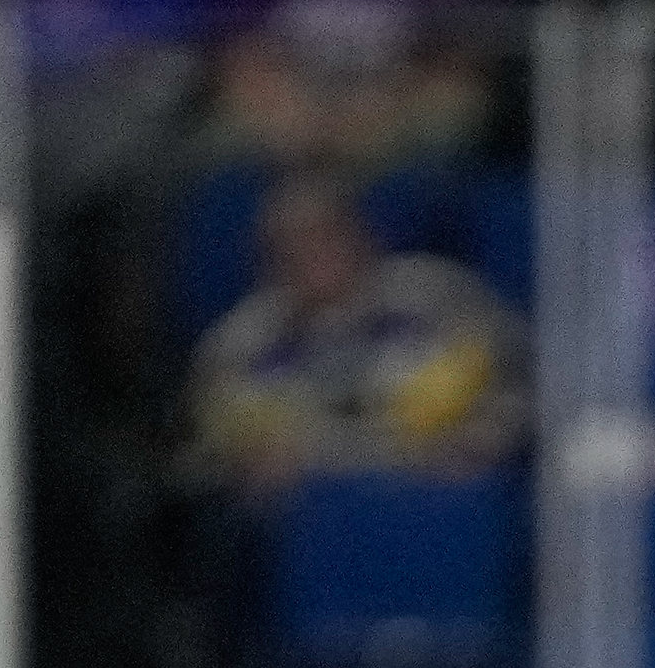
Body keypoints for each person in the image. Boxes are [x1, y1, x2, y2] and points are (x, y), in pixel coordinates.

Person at [182, 176, 526, 496]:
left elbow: (524, 380)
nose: (313, 254)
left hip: (441, 495)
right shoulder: (240, 343)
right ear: (267, 262)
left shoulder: (437, 295)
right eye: (292, 245)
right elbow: (209, 451)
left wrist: (484, 437)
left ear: (363, 236)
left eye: (327, 235)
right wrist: (244, 470)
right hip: (310, 513)